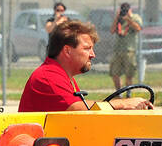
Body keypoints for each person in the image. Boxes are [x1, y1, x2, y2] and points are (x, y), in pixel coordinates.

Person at [19, 19, 153, 112]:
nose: (92, 55)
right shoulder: (48, 76)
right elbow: (77, 109)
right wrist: (123, 104)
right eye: (87, 48)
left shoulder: (62, 76)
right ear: (67, 50)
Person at [109, 1, 143, 90]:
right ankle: (118, 93)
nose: (124, 12)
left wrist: (129, 19)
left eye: (126, 10)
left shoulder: (135, 18)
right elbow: (112, 31)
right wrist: (117, 18)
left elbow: (138, 29)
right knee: (115, 73)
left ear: (130, 10)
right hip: (118, 50)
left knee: (129, 74)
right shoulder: (119, 19)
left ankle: (128, 92)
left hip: (129, 50)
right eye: (123, 10)